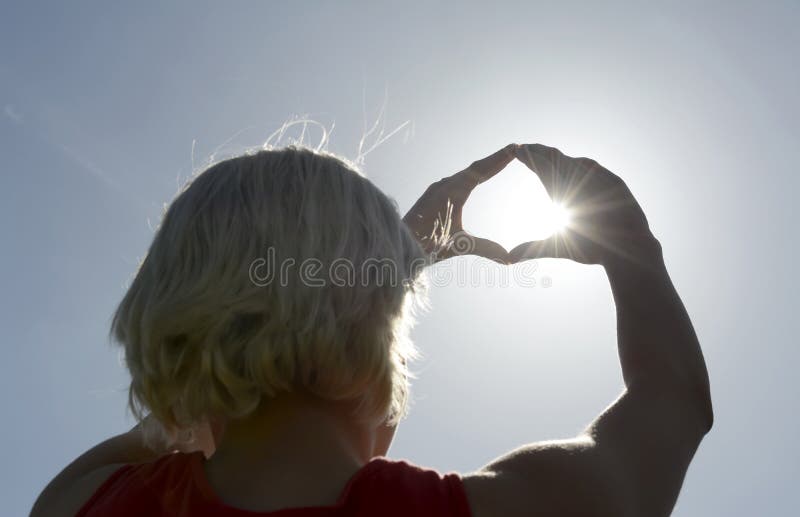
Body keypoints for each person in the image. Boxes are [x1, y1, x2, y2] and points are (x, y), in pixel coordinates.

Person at [30, 142, 712, 517]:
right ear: (380, 333)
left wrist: (384, 272)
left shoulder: (86, 502)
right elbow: (673, 404)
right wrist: (632, 244)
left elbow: (175, 424)